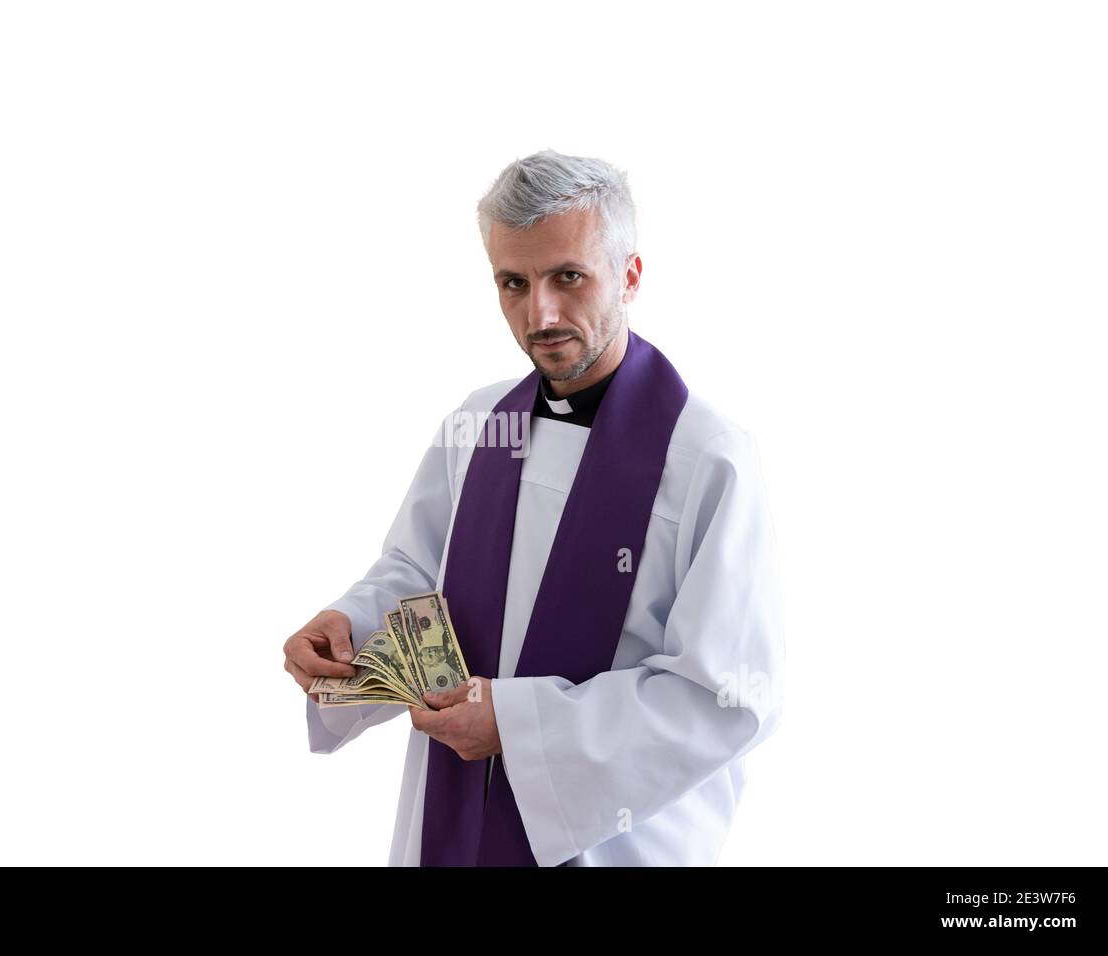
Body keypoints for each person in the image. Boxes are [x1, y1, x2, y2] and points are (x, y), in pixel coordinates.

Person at [282, 148, 786, 866]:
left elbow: (725, 699)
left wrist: (519, 727)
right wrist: (347, 629)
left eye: (568, 277)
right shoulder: (480, 423)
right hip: (448, 826)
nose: (539, 313)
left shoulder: (708, 457)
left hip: (612, 846)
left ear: (630, 275)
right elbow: (415, 575)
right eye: (513, 283)